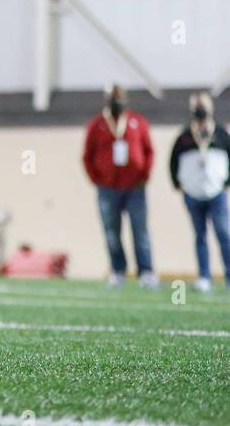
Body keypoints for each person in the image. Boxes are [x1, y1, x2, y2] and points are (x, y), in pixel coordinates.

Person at [83, 84, 158, 289]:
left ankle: (147, 272)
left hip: (135, 187)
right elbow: (87, 156)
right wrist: (96, 178)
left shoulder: (137, 122)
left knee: (140, 231)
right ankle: (118, 271)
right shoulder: (97, 125)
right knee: (111, 232)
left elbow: (149, 151)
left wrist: (145, 175)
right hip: (107, 189)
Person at [169, 91, 230, 293]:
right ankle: (204, 276)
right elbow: (173, 162)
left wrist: (225, 183)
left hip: (216, 194)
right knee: (200, 236)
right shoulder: (185, 136)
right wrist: (178, 184)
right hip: (193, 195)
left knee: (224, 234)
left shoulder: (221, 134)